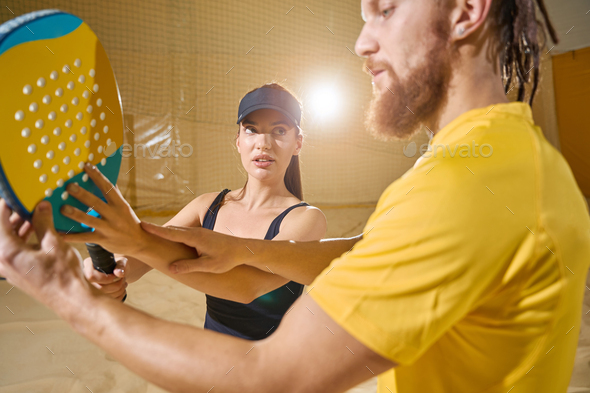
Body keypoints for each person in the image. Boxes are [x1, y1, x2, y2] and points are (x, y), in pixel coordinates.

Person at [1, 0, 589, 392]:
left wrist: (69, 296)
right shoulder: (506, 161)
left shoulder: (462, 186)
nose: (363, 42)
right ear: (237, 139)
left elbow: (269, 377)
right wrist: (159, 250)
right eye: (252, 129)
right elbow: (365, 248)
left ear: (466, 10)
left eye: (384, 9)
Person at [64, 82, 328, 340]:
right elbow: (138, 261)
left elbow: (247, 286)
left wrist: (138, 242)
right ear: (238, 141)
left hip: (277, 373)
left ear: (298, 143)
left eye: (279, 131)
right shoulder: (208, 206)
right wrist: (112, 272)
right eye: (251, 130)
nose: (264, 143)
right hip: (213, 366)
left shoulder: (307, 220)